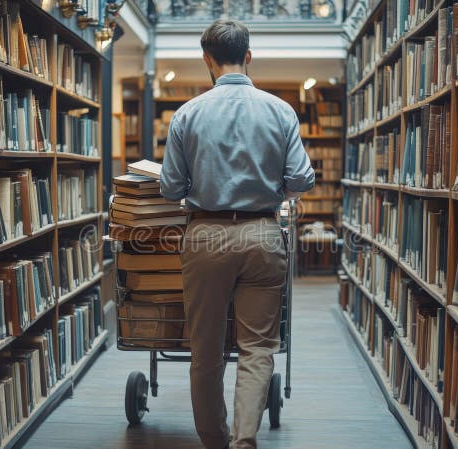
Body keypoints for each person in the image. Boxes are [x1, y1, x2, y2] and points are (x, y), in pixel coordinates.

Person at [160, 19, 315, 449]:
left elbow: (170, 188)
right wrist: (273, 188)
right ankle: (244, 442)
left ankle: (214, 441)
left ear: (207, 60)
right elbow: (302, 179)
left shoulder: (187, 113)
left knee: (206, 351)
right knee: (257, 348)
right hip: (264, 233)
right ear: (248, 57)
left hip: (205, 235)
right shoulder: (280, 110)